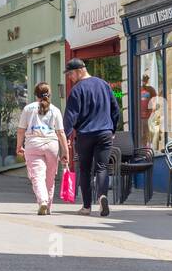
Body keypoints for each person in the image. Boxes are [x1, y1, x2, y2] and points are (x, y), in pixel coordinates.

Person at [62, 58, 120, 217]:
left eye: (70, 74)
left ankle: (87, 207)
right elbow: (116, 109)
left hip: (85, 134)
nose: (69, 77)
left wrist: (65, 136)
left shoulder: (77, 90)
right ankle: (102, 196)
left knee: (85, 170)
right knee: (102, 167)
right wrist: (112, 129)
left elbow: (70, 116)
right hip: (105, 133)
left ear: (80, 70)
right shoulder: (104, 85)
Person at [16, 81, 69, 215]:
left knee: (37, 176)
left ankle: (43, 201)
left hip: (33, 144)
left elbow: (21, 130)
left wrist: (19, 146)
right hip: (52, 145)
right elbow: (61, 132)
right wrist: (65, 152)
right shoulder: (55, 110)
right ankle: (48, 206)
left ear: (35, 95)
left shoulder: (28, 109)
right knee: (50, 178)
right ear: (49, 94)